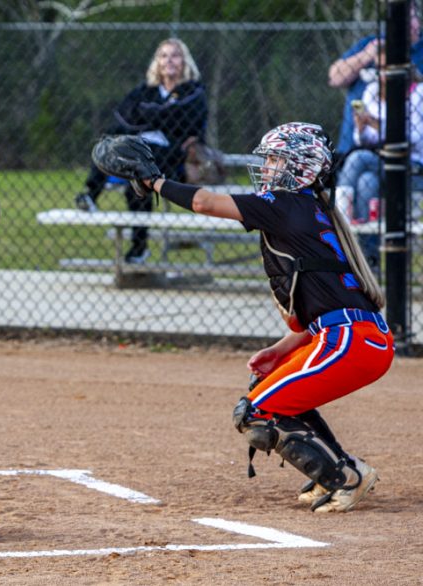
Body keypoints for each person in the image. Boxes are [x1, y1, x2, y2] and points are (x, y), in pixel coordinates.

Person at [94, 123, 394, 512]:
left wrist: (154, 182)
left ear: (298, 167)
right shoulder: (311, 209)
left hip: (350, 342)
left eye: (274, 160)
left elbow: (204, 202)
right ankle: (335, 468)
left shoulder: (286, 204)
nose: (266, 167)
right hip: (354, 337)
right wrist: (280, 349)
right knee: (267, 388)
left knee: (256, 414)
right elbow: (326, 306)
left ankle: (346, 477)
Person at [75, 37, 207, 264]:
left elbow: (187, 123)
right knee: (109, 148)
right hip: (139, 152)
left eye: (175, 55)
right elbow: (125, 116)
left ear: (185, 61)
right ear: (157, 62)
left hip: (171, 158)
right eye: (163, 56)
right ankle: (91, 193)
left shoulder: (193, 91)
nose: (169, 61)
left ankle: (138, 246)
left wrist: (147, 116)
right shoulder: (146, 90)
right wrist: (161, 115)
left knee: (136, 167)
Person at [335, 52, 423, 273]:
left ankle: (338, 223)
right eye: (380, 68)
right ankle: (369, 261)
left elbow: (414, 137)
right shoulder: (373, 91)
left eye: (388, 67)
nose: (383, 73)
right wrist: (363, 127)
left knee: (356, 158)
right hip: (377, 160)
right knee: (366, 183)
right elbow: (362, 141)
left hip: (409, 166)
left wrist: (377, 124)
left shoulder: (418, 93)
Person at [327, 0, 423, 158]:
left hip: (410, 151)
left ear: (417, 21)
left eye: (409, 16)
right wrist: (369, 54)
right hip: (356, 145)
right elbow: (334, 78)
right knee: (357, 166)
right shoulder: (372, 44)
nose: (403, 22)